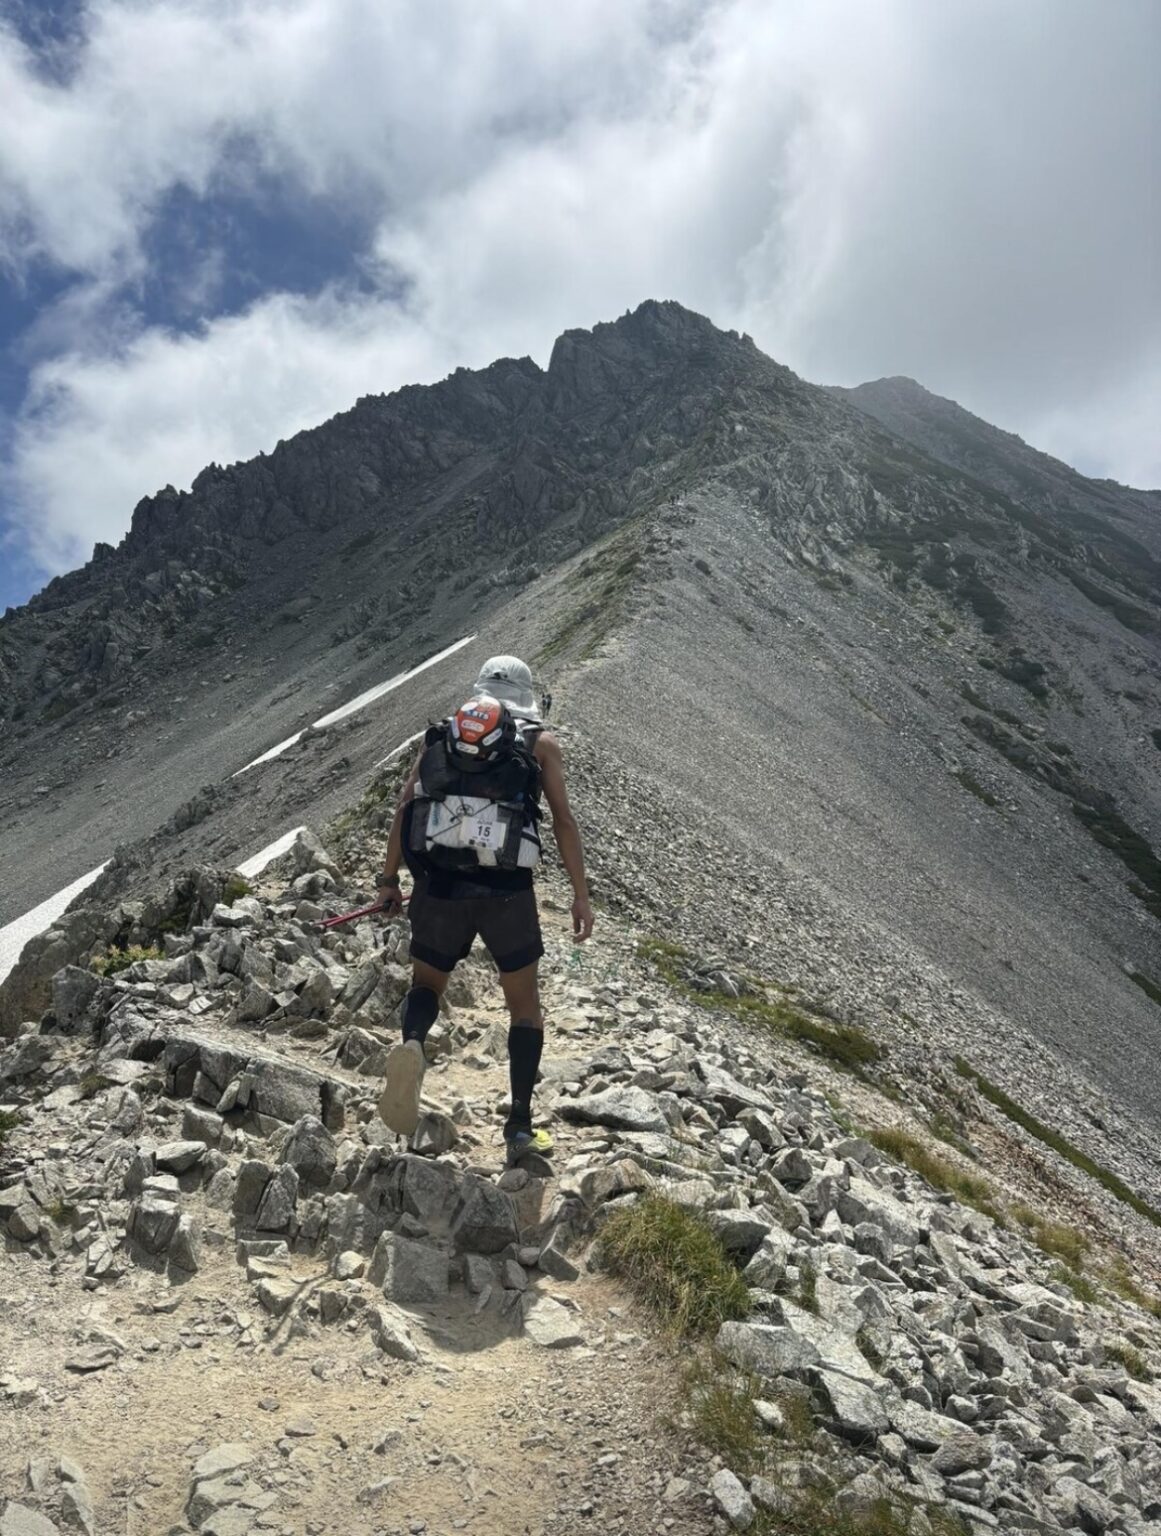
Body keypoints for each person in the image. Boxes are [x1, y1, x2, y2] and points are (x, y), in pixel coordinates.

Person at [373, 654, 594, 1164]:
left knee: (426, 987)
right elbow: (562, 822)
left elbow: (406, 808)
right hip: (507, 895)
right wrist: (580, 894)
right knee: (525, 1007)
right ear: (525, 698)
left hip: (439, 889)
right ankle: (518, 1127)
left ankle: (411, 1044)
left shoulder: (439, 739)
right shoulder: (540, 745)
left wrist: (389, 881)